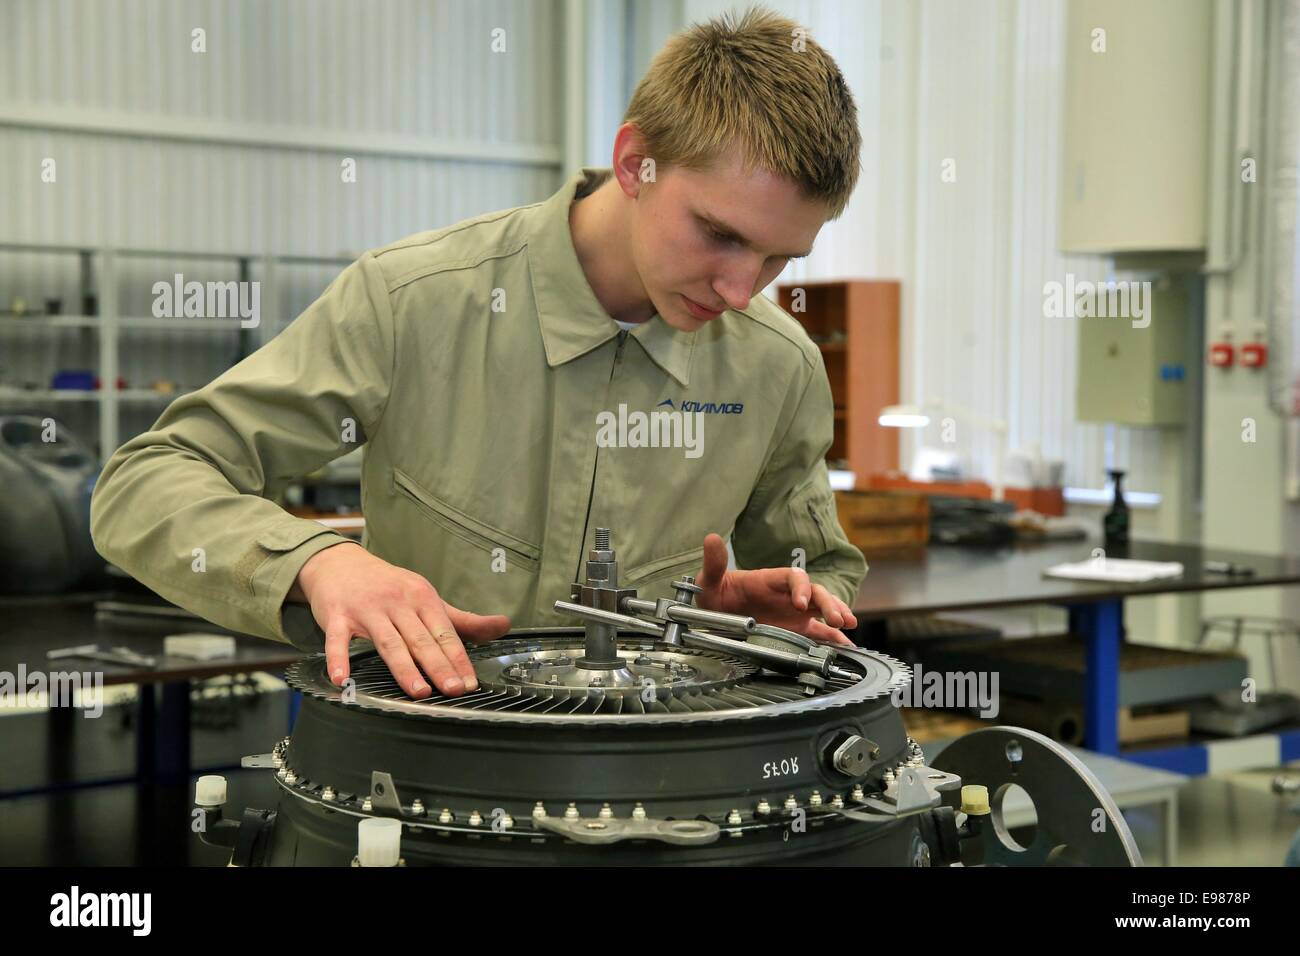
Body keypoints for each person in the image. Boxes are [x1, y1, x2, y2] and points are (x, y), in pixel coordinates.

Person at [90, 7, 868, 702]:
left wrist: (749, 625)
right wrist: (318, 564)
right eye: (720, 234)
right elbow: (142, 485)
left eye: (777, 259)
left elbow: (821, 576)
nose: (740, 290)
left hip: (668, 806)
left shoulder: (778, 367)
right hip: (416, 797)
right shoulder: (411, 303)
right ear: (636, 163)